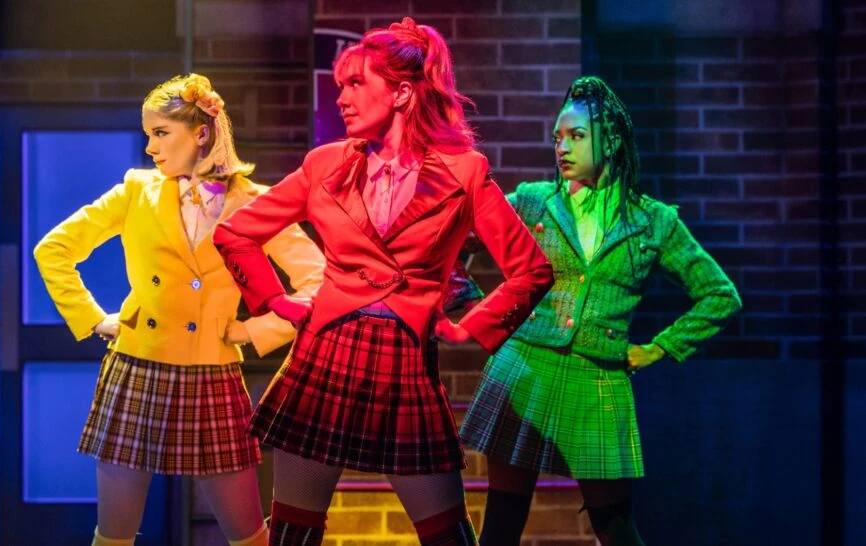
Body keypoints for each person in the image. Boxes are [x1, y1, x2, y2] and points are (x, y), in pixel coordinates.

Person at [211, 17, 553, 546]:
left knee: (448, 535)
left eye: (355, 83)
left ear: (401, 93)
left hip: (404, 361)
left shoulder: (464, 171)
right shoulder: (325, 165)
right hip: (325, 355)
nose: (341, 97)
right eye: (340, 84)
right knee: (292, 534)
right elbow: (235, 234)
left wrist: (469, 329)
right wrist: (277, 301)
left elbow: (532, 269)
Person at [33, 73, 325, 546]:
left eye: (160, 133)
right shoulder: (135, 191)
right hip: (138, 365)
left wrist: (257, 330)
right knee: (113, 537)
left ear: (201, 133)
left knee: (250, 537)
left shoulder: (254, 203)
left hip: (213, 372)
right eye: (148, 134)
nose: (150, 147)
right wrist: (93, 318)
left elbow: (320, 282)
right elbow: (53, 249)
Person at [458, 76, 743, 546]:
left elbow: (720, 295)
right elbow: (456, 239)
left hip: (598, 380)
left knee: (616, 526)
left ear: (610, 142)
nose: (562, 147)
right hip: (524, 370)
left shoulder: (653, 221)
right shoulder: (534, 201)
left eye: (576, 136)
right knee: (502, 523)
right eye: (557, 137)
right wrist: (474, 307)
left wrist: (659, 348)